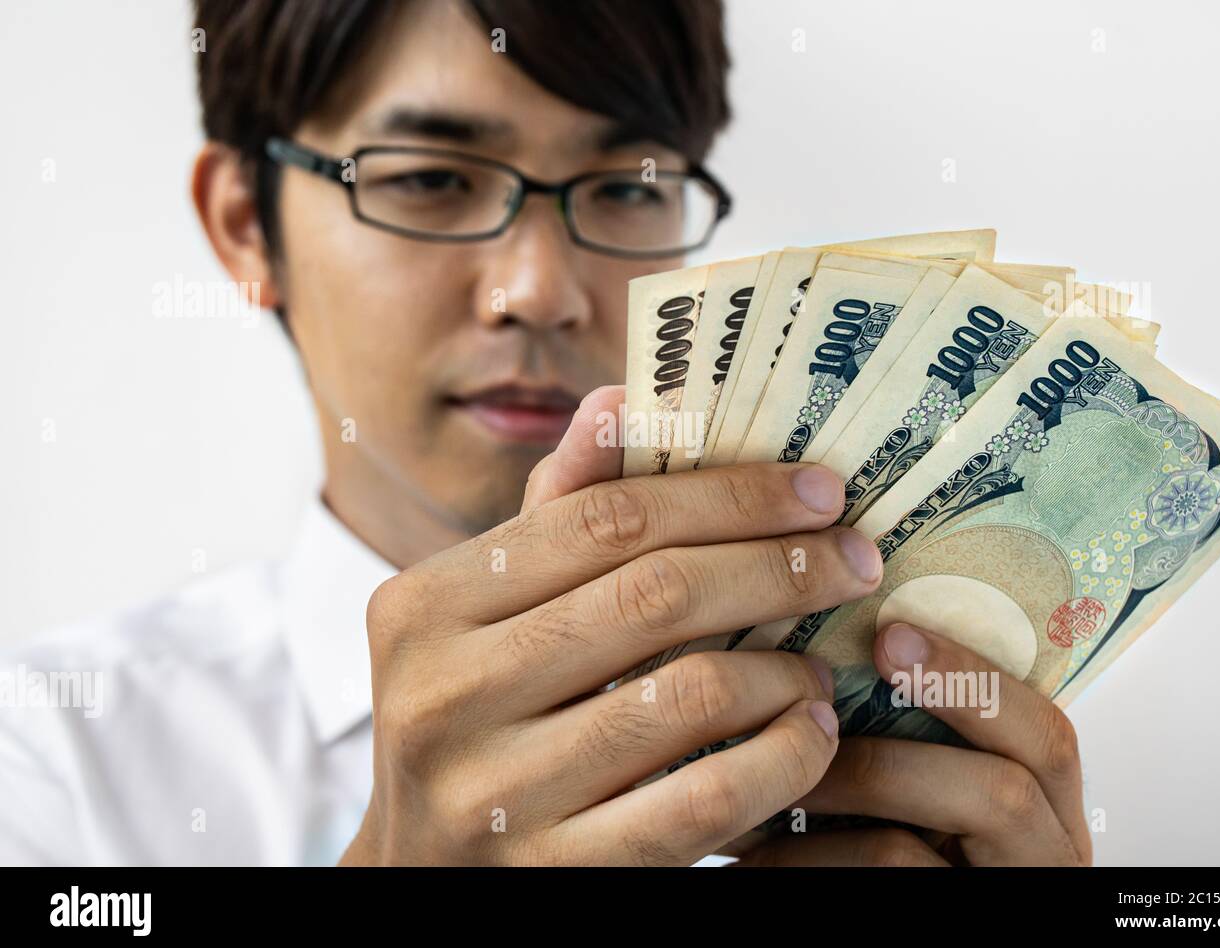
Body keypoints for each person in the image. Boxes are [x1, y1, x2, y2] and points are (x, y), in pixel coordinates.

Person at [0, 0, 1088, 866]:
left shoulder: (912, 725)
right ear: (246, 220)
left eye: (625, 186)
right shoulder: (53, 764)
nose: (539, 291)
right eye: (430, 178)